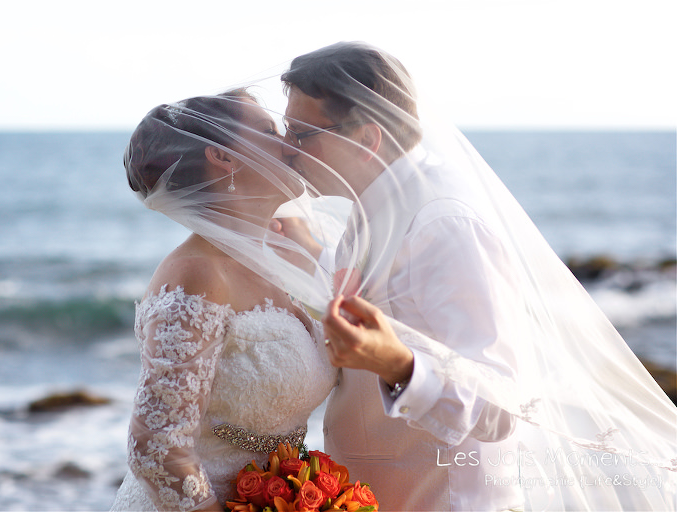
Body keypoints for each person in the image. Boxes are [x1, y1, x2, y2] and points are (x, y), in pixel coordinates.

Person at [271, 42, 677, 510]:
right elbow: (393, 300)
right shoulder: (373, 208)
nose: (287, 149)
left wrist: (398, 366)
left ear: (367, 139)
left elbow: (502, 404)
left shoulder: (444, 225)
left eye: (301, 133)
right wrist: (309, 250)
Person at [109, 89, 337, 511]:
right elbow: (156, 446)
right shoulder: (196, 275)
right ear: (224, 158)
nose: (290, 141)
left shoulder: (285, 258)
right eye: (269, 130)